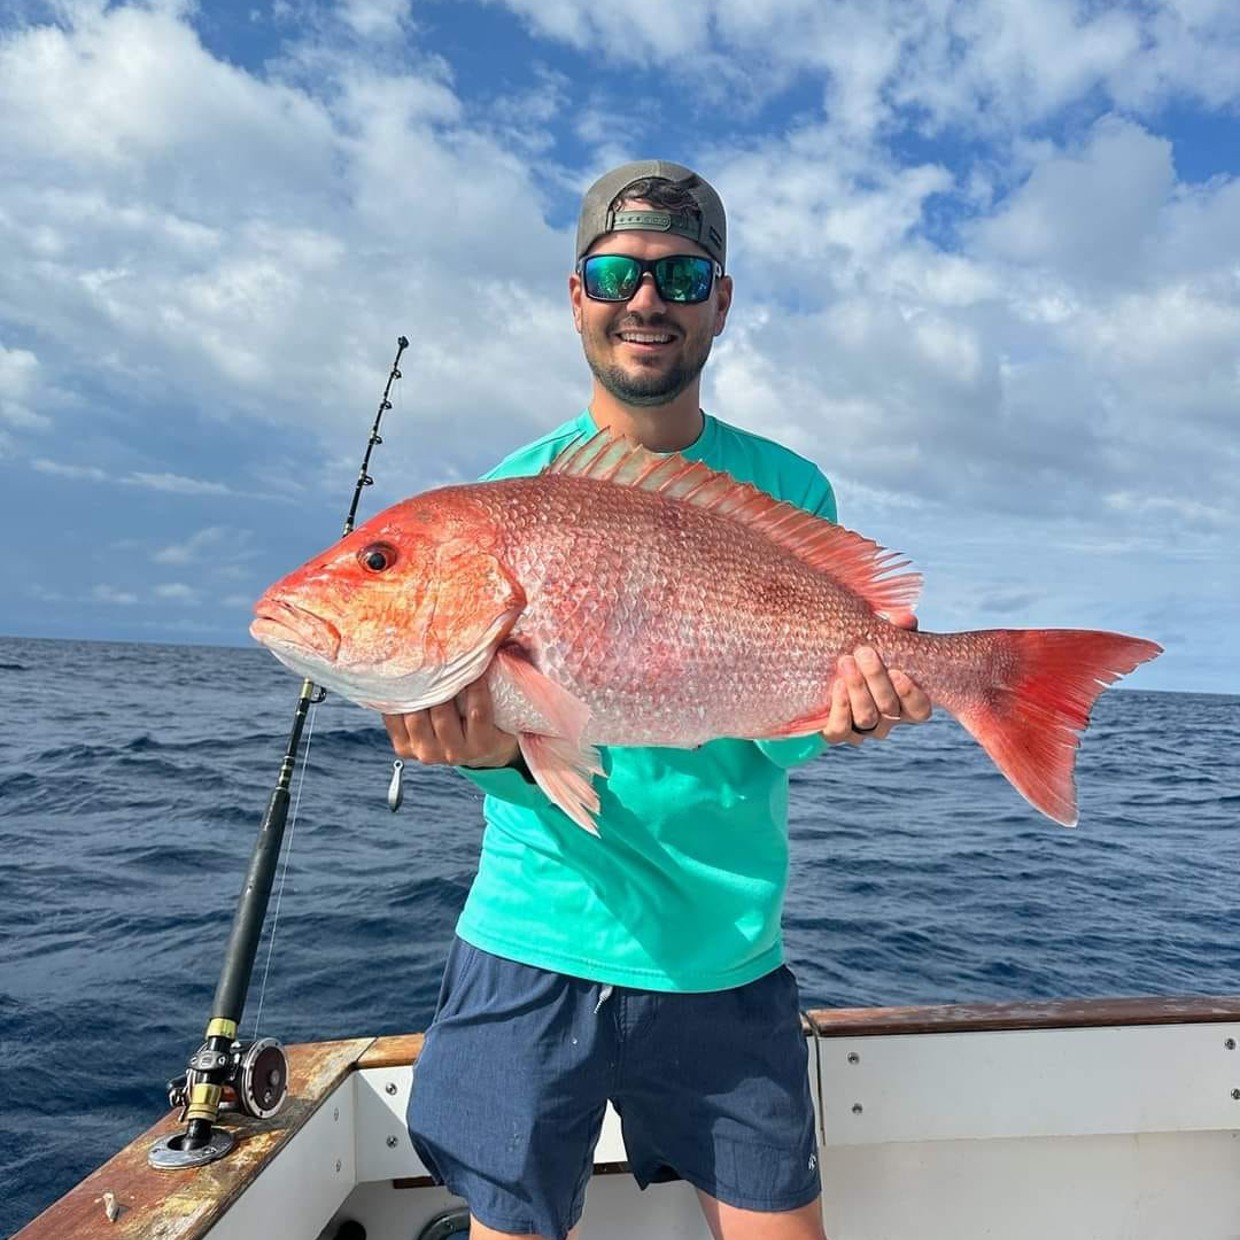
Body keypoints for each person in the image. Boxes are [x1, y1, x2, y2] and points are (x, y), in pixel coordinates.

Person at [383, 159, 931, 1240]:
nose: (645, 299)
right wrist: (484, 751)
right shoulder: (509, 495)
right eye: (616, 271)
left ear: (720, 299)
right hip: (530, 940)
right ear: (576, 292)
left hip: (724, 953)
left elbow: (774, 743)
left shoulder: (791, 491)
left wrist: (842, 709)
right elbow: (528, 753)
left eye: (681, 277)